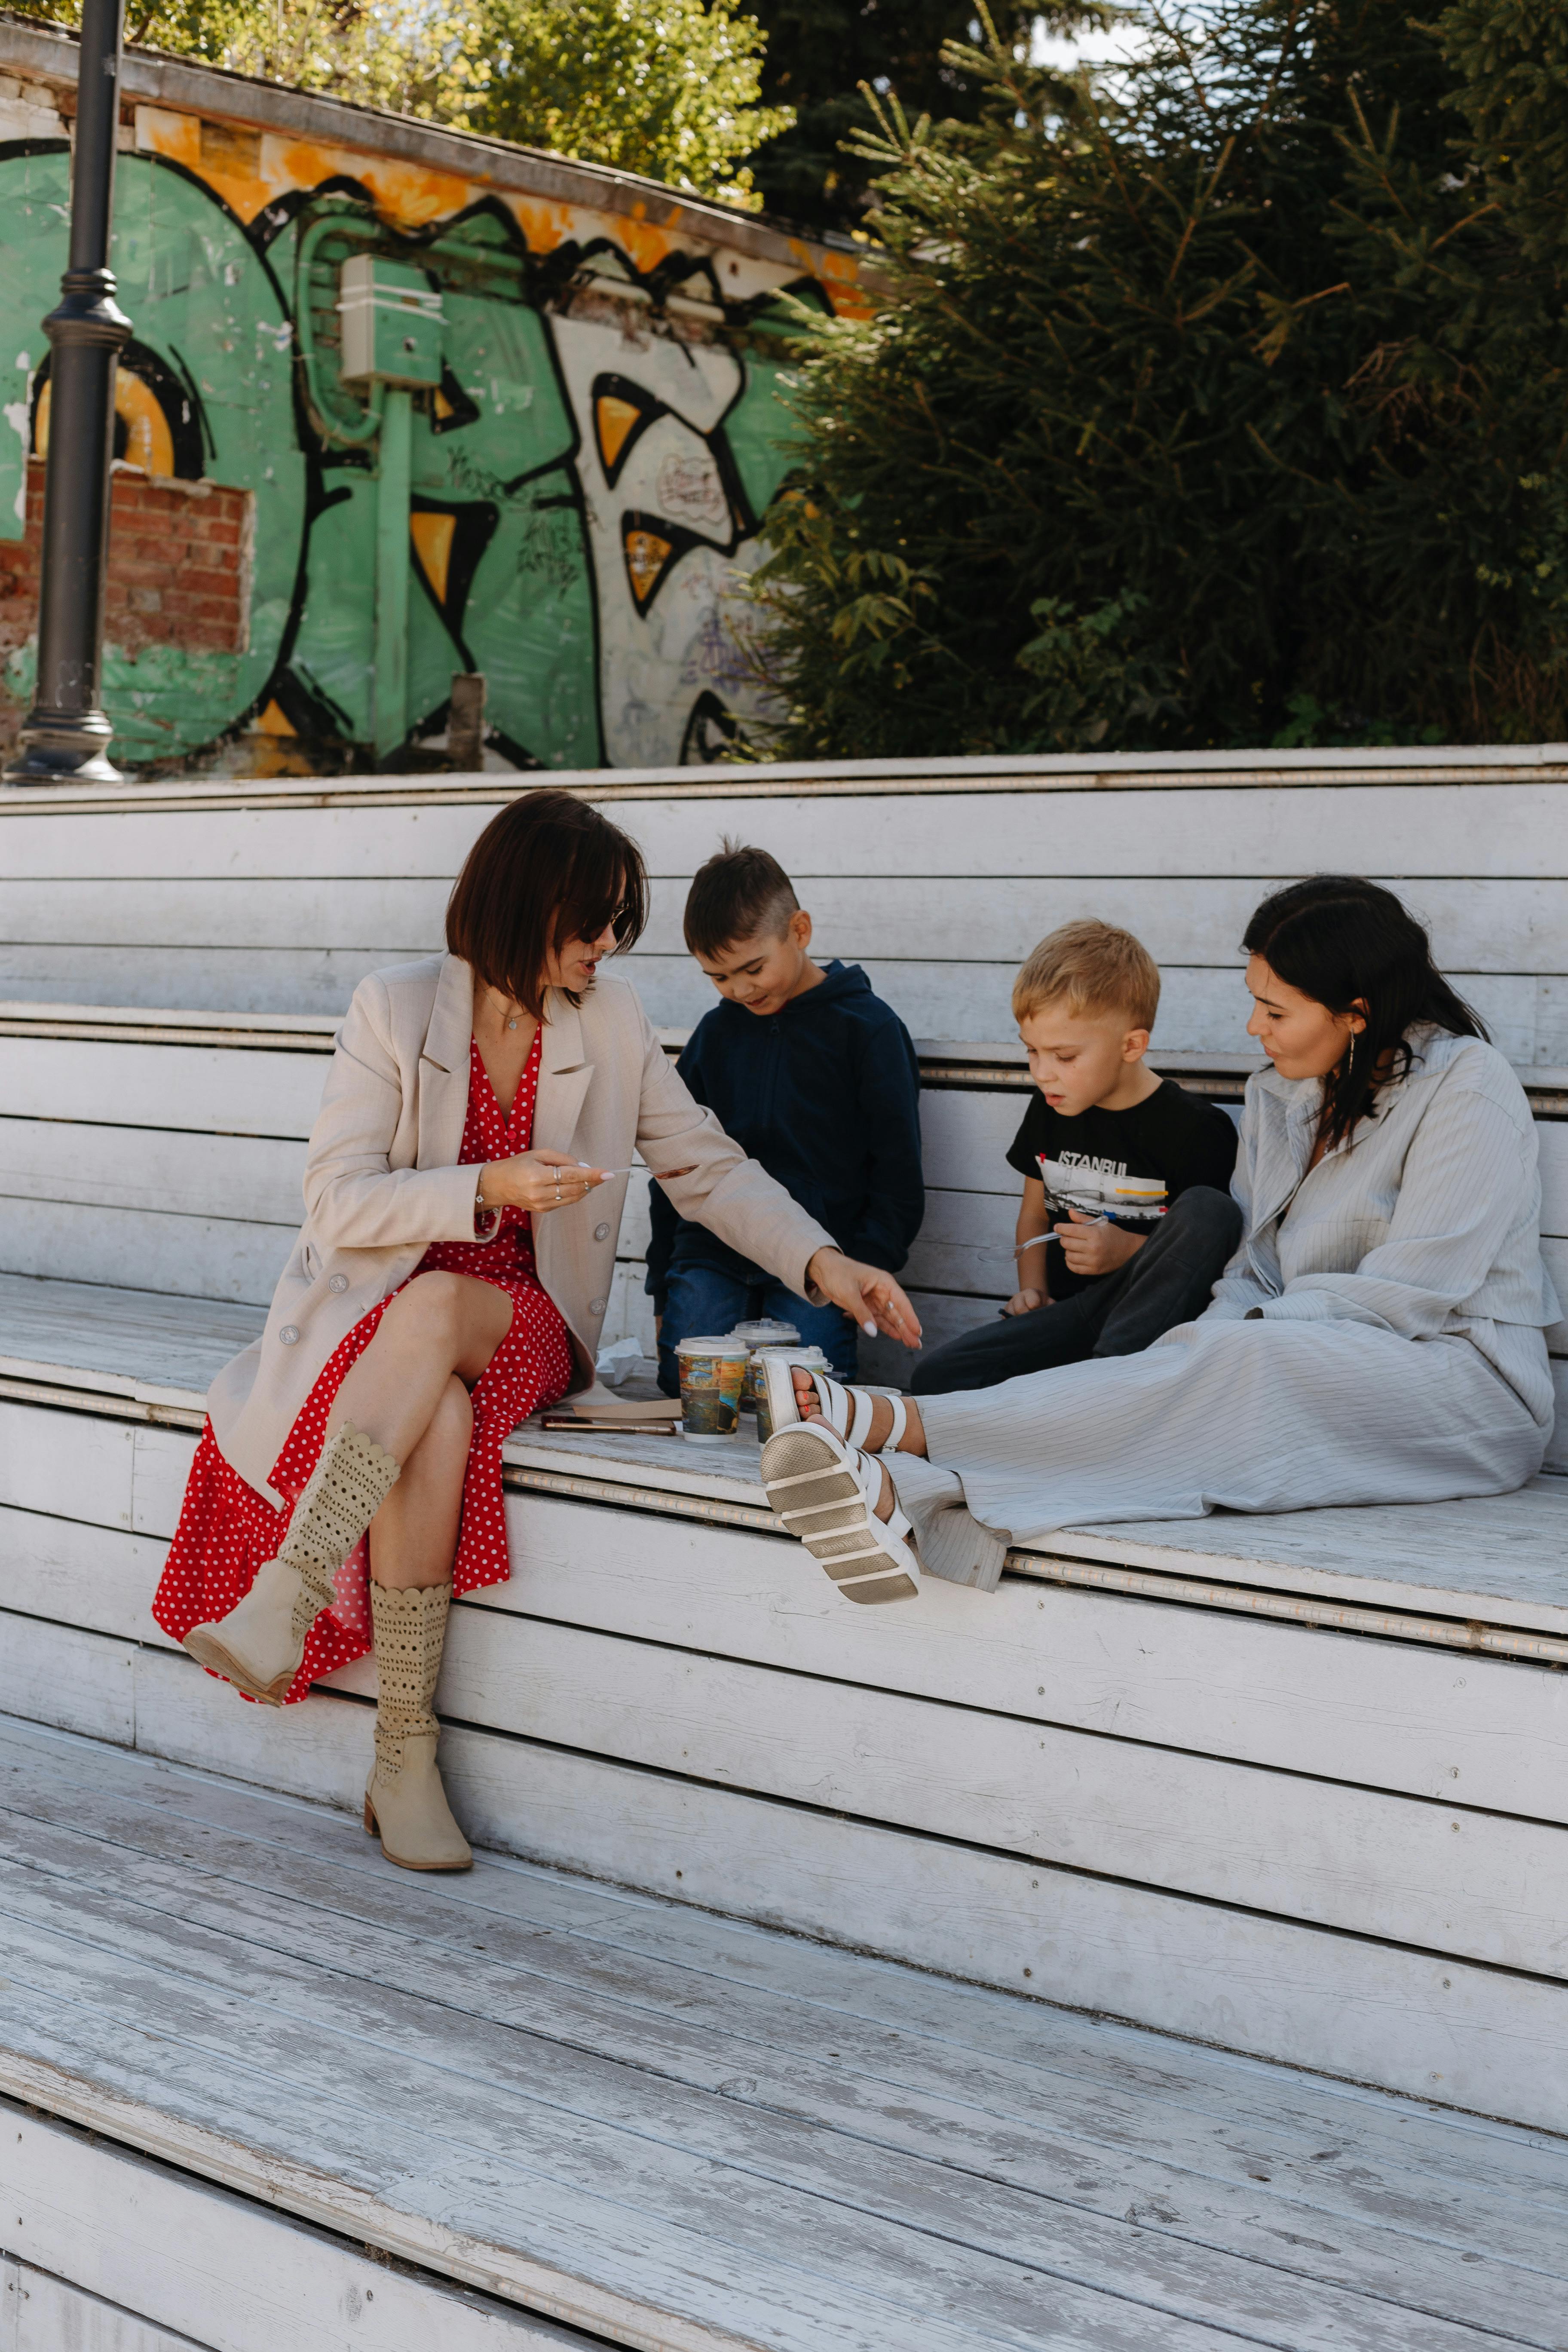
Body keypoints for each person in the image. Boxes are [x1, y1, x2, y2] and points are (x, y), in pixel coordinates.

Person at [153, 790, 920, 1862]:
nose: (608, 945)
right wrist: (486, 1184)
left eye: (618, 924)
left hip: (530, 1324)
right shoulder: (395, 1006)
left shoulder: (608, 1020)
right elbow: (336, 1200)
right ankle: (404, 1756)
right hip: (387, 1327)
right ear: (522, 909)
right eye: (590, 923)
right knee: (443, 1415)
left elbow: (706, 1165)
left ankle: (293, 1590)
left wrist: (825, 1262)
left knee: (439, 1316)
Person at [755, 876, 1557, 1606]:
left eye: (1275, 1012)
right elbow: (1250, 1269)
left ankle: (890, 1425)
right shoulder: (1279, 1098)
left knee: (1232, 1363)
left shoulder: (1465, 1085)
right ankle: (907, 1496)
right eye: (1254, 1001)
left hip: (1459, 1386)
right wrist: (1202, 1342)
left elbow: (1407, 1292)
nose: (1253, 1028)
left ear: (1356, 1015)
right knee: (1210, 1367)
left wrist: (1217, 1346)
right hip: (1290, 1366)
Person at [911, 920, 1240, 1395]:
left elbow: (1205, 1254)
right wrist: (1033, 1291)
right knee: (936, 1377)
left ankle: (1099, 1390)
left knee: (1212, 1207)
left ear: (1132, 1045)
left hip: (1148, 1331)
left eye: (1064, 1057)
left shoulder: (1196, 1129)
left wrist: (1128, 1251)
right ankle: (1083, 1396)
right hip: (1069, 1318)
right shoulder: (1051, 1109)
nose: (1043, 1074)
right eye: (1033, 1053)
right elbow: (1032, 1215)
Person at [647, 840, 923, 1395]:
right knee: (691, 1398)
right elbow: (672, 1165)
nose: (740, 990)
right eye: (719, 977)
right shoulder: (715, 1035)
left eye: (752, 968)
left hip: (822, 1265)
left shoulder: (866, 1030)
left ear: (799, 930)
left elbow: (897, 1168)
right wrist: (664, 1284)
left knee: (805, 1408)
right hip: (710, 1258)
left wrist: (866, 1265)